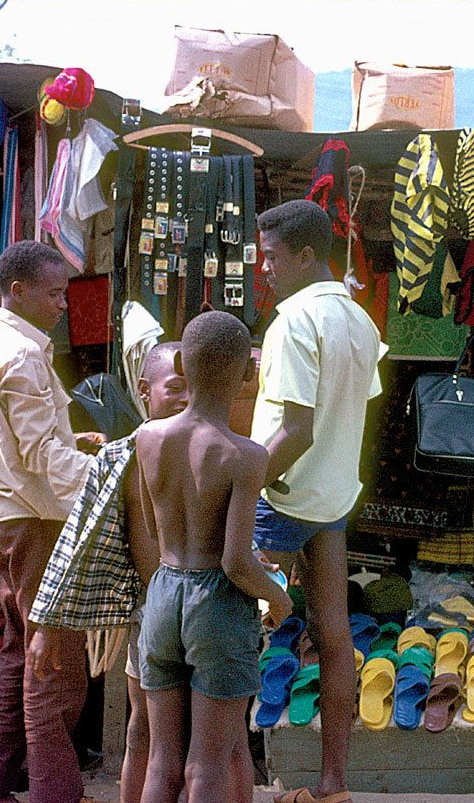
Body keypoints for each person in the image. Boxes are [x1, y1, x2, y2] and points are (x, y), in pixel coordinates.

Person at [27, 342, 256, 803]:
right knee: (145, 732)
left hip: (199, 607)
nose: (184, 396)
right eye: (173, 388)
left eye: (191, 386)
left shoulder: (222, 449)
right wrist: (46, 626)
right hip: (151, 612)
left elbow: (237, 546)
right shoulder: (125, 457)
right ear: (143, 391)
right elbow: (79, 543)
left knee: (224, 742)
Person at [251, 199, 382, 803]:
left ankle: (223, 777)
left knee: (227, 632)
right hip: (331, 498)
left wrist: (240, 483)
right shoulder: (360, 319)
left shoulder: (292, 322)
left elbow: (296, 430)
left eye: (273, 257)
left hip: (281, 497)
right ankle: (334, 786)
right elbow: (350, 405)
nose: (264, 268)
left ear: (306, 256)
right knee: (336, 638)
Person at [133, 312, 292, 803]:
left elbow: (152, 530)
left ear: (181, 362)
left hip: (162, 595)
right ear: (249, 374)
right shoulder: (245, 455)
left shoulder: (148, 439)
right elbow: (235, 563)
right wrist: (277, 599)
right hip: (218, 606)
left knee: (163, 761)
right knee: (208, 765)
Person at [0, 241, 101, 803]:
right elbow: (41, 454)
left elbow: (31, 444)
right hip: (34, 521)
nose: (63, 304)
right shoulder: (21, 356)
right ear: (18, 292)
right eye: (54, 294)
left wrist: (77, 446)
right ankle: (56, 792)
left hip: (3, 516)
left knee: (23, 649)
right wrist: (105, 478)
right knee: (54, 663)